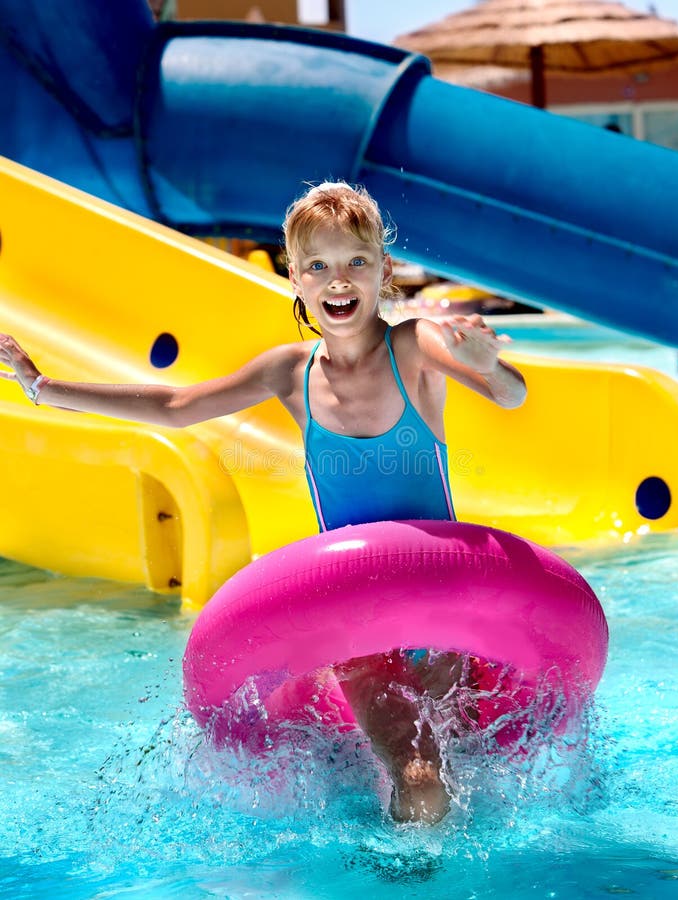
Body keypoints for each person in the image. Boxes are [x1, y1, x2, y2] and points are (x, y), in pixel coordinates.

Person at [0, 181, 526, 824]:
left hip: (442, 609)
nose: (339, 281)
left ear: (384, 270)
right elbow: (175, 407)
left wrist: (488, 366)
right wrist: (42, 387)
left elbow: (508, 396)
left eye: (357, 262)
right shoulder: (289, 373)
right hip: (358, 617)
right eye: (318, 266)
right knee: (420, 780)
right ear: (296, 279)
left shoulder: (414, 347)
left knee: (475, 765)